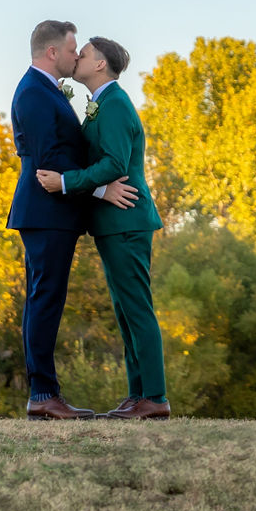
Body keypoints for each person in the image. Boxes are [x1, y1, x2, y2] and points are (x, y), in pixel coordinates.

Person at [7, 20, 137, 421]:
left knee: (45, 298)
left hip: (51, 212)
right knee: (44, 300)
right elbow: (50, 162)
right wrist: (100, 190)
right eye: (71, 49)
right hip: (45, 211)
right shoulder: (34, 93)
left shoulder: (45, 90)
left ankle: (44, 393)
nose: (75, 55)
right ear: (52, 53)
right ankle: (43, 394)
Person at [37, 36, 169, 420]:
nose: (77, 57)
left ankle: (155, 397)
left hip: (126, 219)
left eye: (84, 54)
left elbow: (114, 163)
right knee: (125, 311)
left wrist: (66, 182)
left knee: (137, 308)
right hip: (112, 223)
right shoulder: (101, 104)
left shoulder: (114, 105)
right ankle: (137, 394)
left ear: (100, 65)